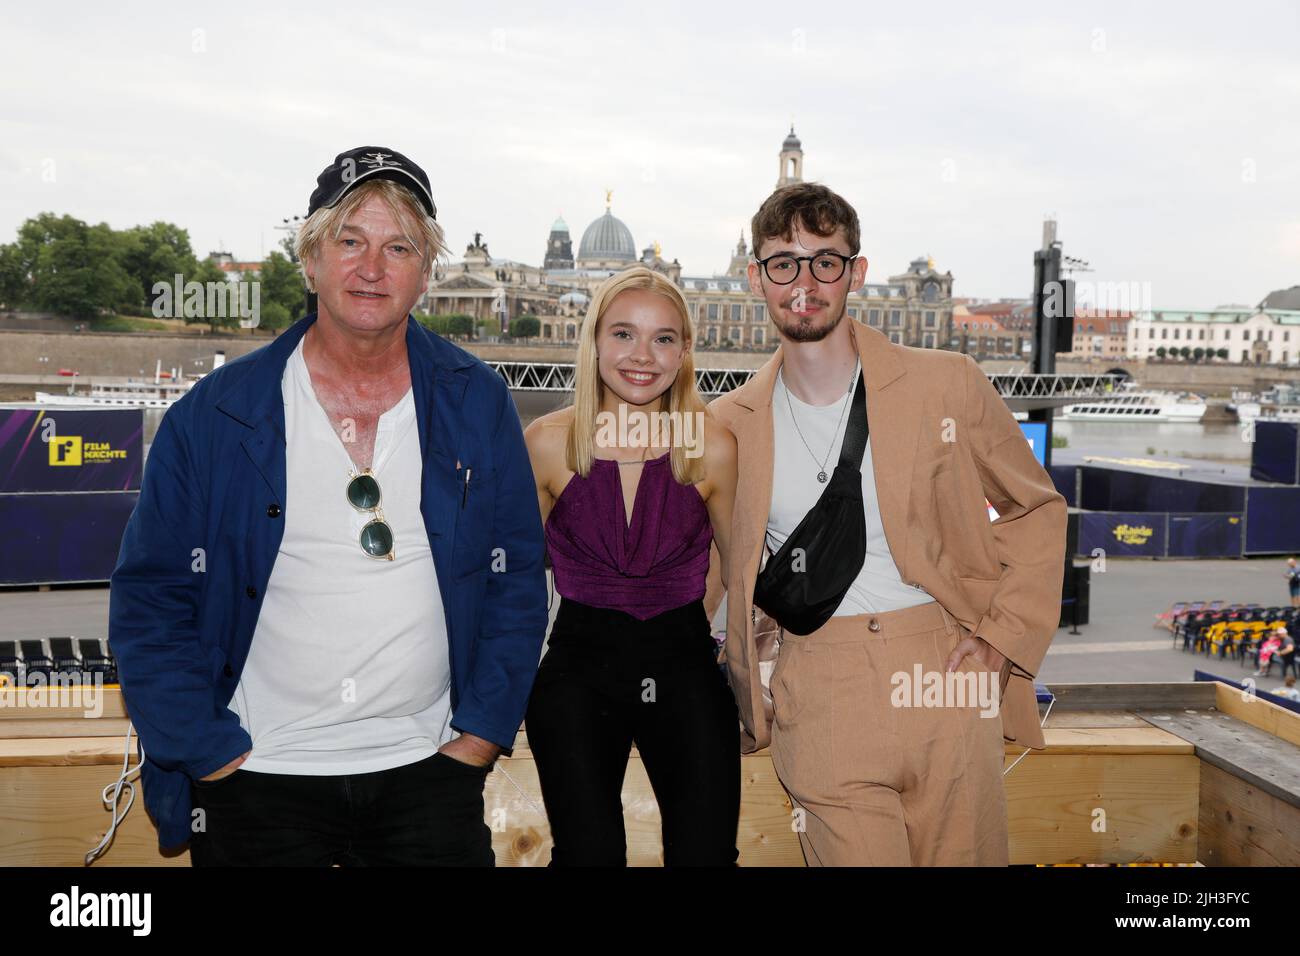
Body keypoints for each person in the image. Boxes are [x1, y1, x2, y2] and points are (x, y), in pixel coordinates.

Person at [109, 146, 548, 865]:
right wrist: (211, 754)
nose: (371, 267)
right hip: (257, 780)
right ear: (310, 260)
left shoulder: (479, 401)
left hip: (429, 776)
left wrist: (477, 739)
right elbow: (149, 602)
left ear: (426, 273)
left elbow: (516, 582)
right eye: (348, 241)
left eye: (397, 246)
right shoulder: (214, 416)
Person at [703, 183, 1066, 866]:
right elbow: (702, 571)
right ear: (756, 278)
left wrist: (1000, 642)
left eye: (825, 261)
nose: (803, 282)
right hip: (822, 691)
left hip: (948, 673)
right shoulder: (730, 425)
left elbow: (1036, 508)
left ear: (857, 272)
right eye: (784, 262)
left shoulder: (948, 384)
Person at [523, 266, 740, 866]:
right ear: (594, 340)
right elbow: (508, 581)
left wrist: (750, 685)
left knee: (707, 859)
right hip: (574, 681)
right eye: (623, 334)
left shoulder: (712, 446)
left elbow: (739, 569)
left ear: (684, 351)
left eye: (663, 338)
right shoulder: (548, 442)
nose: (642, 355)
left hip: (687, 672)